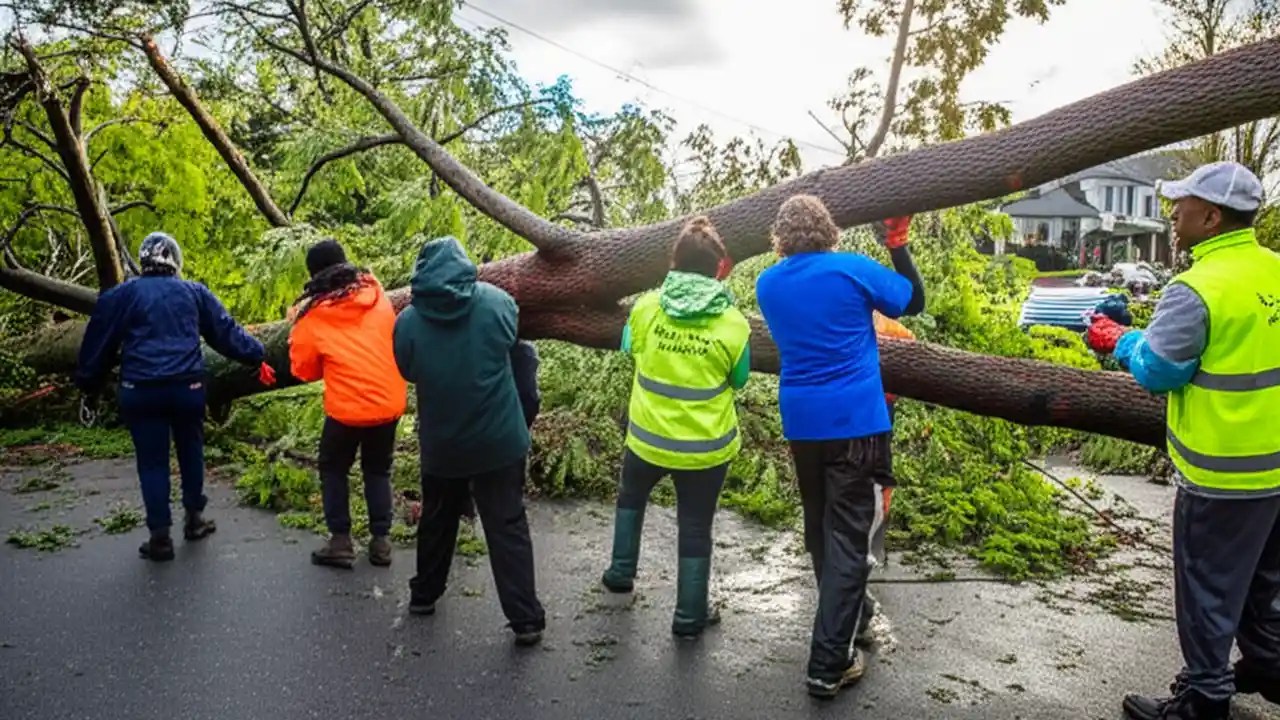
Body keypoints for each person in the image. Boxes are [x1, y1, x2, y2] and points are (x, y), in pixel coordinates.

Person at [1086, 161, 1280, 720]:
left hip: (1223, 473)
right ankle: (1269, 663)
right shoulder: (1273, 271)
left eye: (1183, 205)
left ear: (1211, 216)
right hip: (1275, 471)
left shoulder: (1196, 287)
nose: (1174, 214)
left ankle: (1204, 700)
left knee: (1206, 595)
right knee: (1264, 582)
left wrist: (1120, 340)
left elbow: (1160, 371)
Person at [756, 196, 925, 698]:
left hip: (803, 423)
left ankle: (857, 612)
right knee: (850, 539)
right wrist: (897, 246)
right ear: (830, 230)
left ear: (780, 239)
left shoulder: (768, 283)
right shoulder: (852, 269)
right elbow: (912, 302)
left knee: (820, 529)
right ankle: (829, 662)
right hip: (856, 422)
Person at [75, 232, 275, 562]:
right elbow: (225, 332)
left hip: (140, 390)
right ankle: (194, 520)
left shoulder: (121, 296)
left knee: (152, 462)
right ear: (175, 261)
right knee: (191, 452)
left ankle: (160, 538)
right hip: (187, 389)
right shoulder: (194, 292)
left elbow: (99, 342)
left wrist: (88, 384)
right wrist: (256, 356)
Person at [599, 216, 750, 639]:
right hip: (705, 448)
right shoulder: (734, 324)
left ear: (673, 261)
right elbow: (738, 380)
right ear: (719, 268)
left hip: (647, 438)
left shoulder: (647, 308)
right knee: (696, 525)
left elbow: (630, 347)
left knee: (631, 496)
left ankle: (620, 572)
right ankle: (688, 616)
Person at [393, 236, 546, 646]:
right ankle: (526, 619)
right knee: (507, 525)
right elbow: (514, 347)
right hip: (499, 440)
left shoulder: (407, 321)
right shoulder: (496, 303)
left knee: (437, 519)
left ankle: (424, 596)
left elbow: (407, 370)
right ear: (467, 268)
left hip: (444, 443)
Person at [288, 239, 407, 569]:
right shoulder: (377, 295)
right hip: (388, 403)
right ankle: (381, 542)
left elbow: (304, 371)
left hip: (347, 410)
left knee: (333, 467)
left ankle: (340, 540)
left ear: (314, 275)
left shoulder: (312, 316)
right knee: (378, 468)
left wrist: (296, 325)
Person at [854, 311, 916, 648]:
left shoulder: (833, 316)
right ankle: (869, 550)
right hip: (878, 414)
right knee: (875, 486)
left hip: (835, 413)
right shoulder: (896, 329)